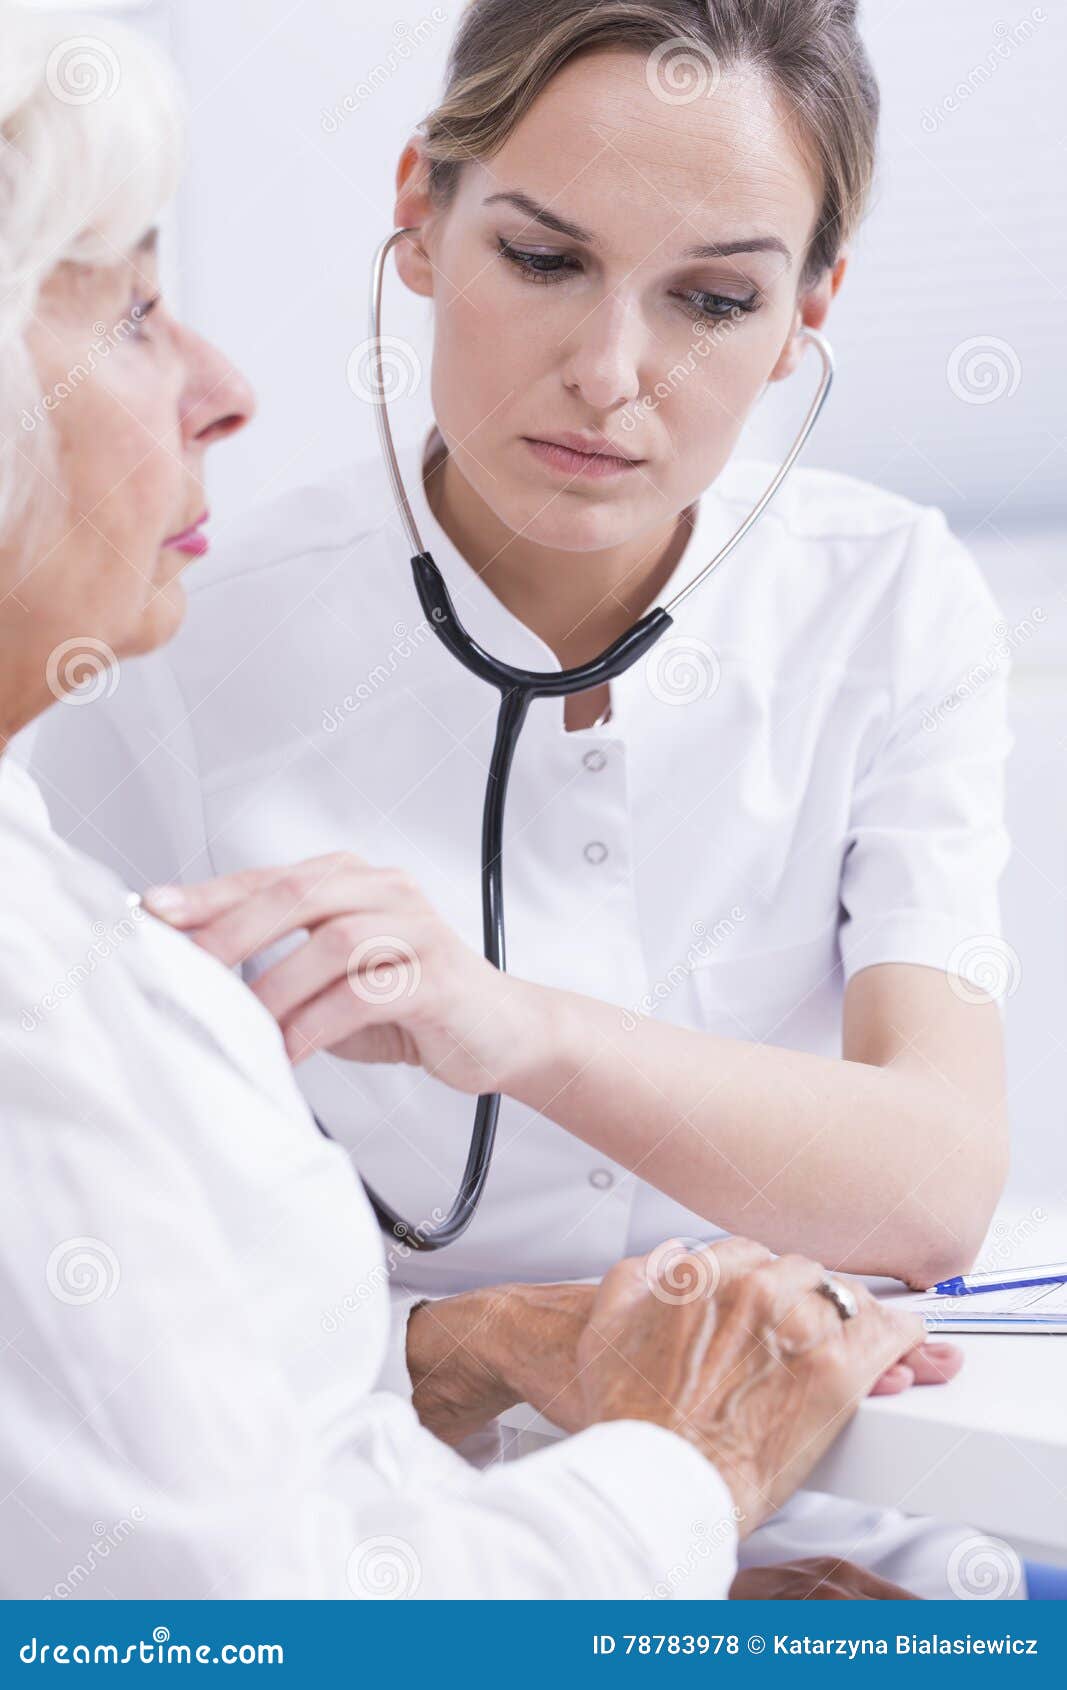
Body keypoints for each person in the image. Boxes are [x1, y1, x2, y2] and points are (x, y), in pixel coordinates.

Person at [28, 2, 1016, 1595]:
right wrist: (489, 1362)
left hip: (847, 1515)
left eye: (713, 298)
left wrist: (512, 1023)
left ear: (809, 308)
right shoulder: (165, 633)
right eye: (544, 261)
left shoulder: (887, 597)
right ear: (420, 215)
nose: (611, 376)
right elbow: (116, 1330)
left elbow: (932, 1179)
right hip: (385, 1537)